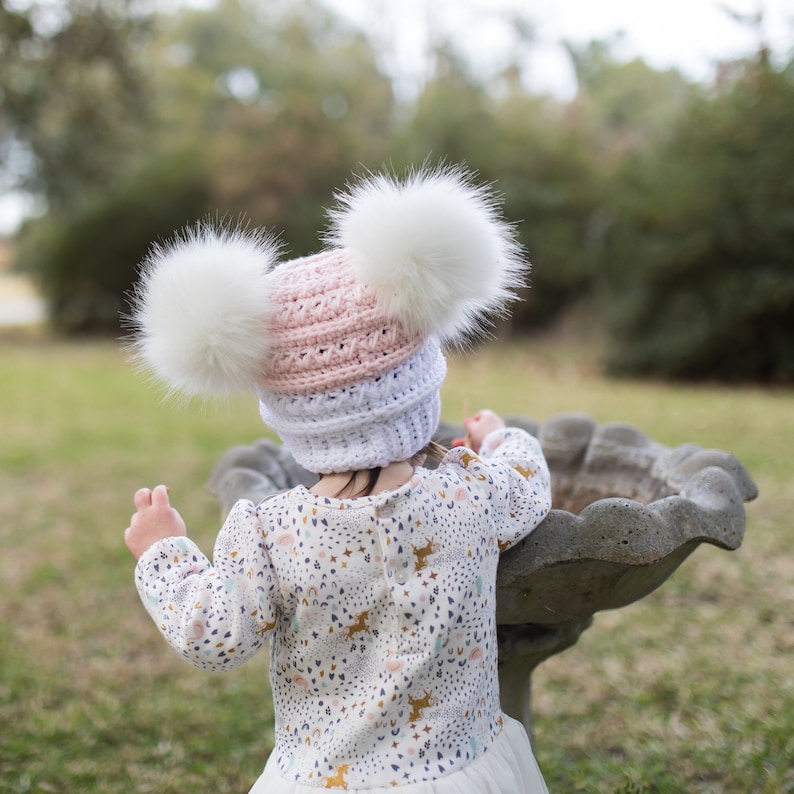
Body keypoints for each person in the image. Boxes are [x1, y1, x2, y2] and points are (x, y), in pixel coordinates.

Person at [124, 166, 553, 793]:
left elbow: (211, 634)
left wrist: (164, 552)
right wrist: (500, 436)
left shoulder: (268, 534)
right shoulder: (473, 494)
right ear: (420, 387)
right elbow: (528, 481)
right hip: (464, 770)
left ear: (289, 415)